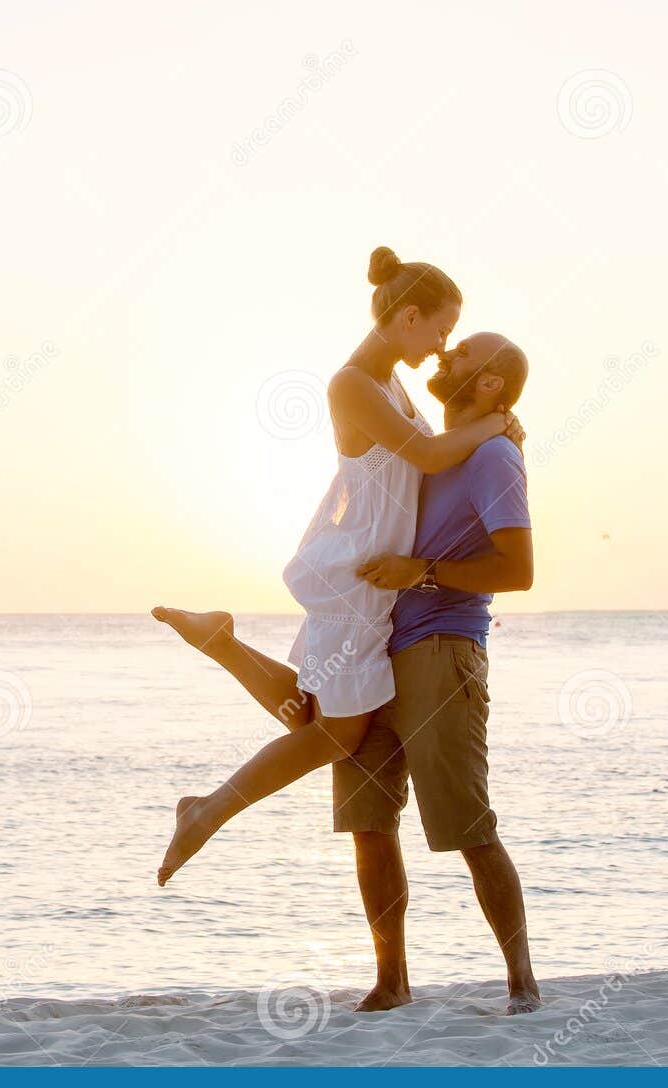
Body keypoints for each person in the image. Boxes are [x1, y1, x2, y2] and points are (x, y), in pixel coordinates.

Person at [158, 332, 541, 1014]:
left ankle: (522, 983)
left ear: (489, 384)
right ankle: (391, 981)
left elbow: (518, 570)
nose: (445, 356)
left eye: (462, 353)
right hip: (379, 634)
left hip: (440, 647)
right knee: (368, 819)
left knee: (468, 827)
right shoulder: (437, 445)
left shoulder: (493, 455)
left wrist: (419, 571)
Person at [152, 247, 522, 886]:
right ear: (409, 316)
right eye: (441, 330)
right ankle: (205, 811)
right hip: (357, 572)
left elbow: (433, 459)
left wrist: (495, 430)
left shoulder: (392, 382)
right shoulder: (350, 383)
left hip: (377, 580)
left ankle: (221, 642)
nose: (442, 346)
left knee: (311, 717)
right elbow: (431, 456)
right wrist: (497, 424)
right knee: (336, 736)